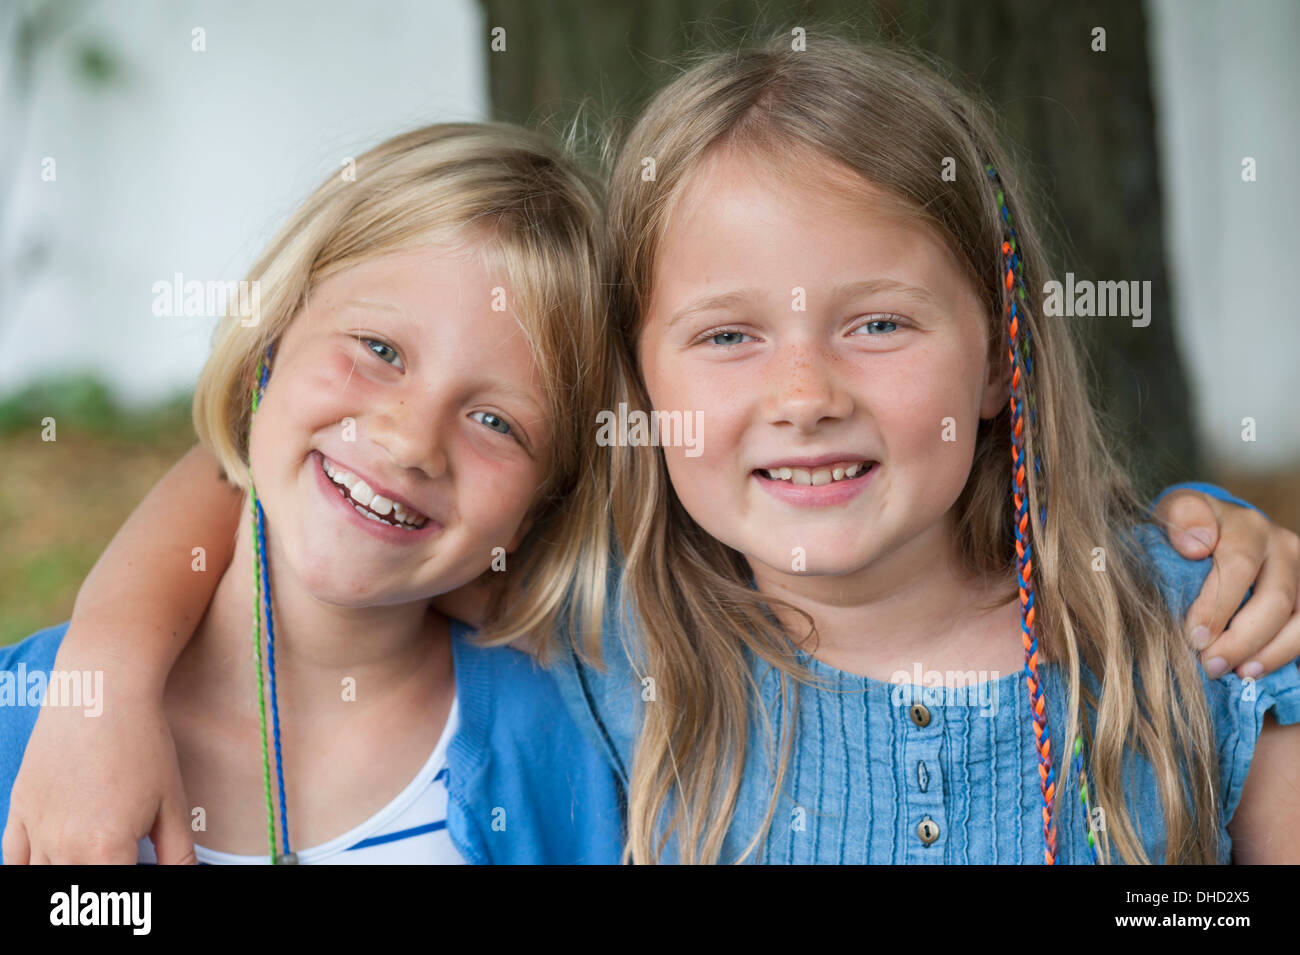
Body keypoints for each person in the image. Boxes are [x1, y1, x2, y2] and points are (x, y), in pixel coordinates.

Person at [561, 34, 1300, 863]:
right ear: (640, 385)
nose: (805, 397)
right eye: (728, 335)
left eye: (880, 324)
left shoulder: (1207, 634)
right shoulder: (598, 667)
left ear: (999, 360)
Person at [0, 122, 624, 864]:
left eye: (496, 422)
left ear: (541, 505)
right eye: (380, 350)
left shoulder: (574, 756)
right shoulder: (29, 716)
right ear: (270, 343)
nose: (410, 442)